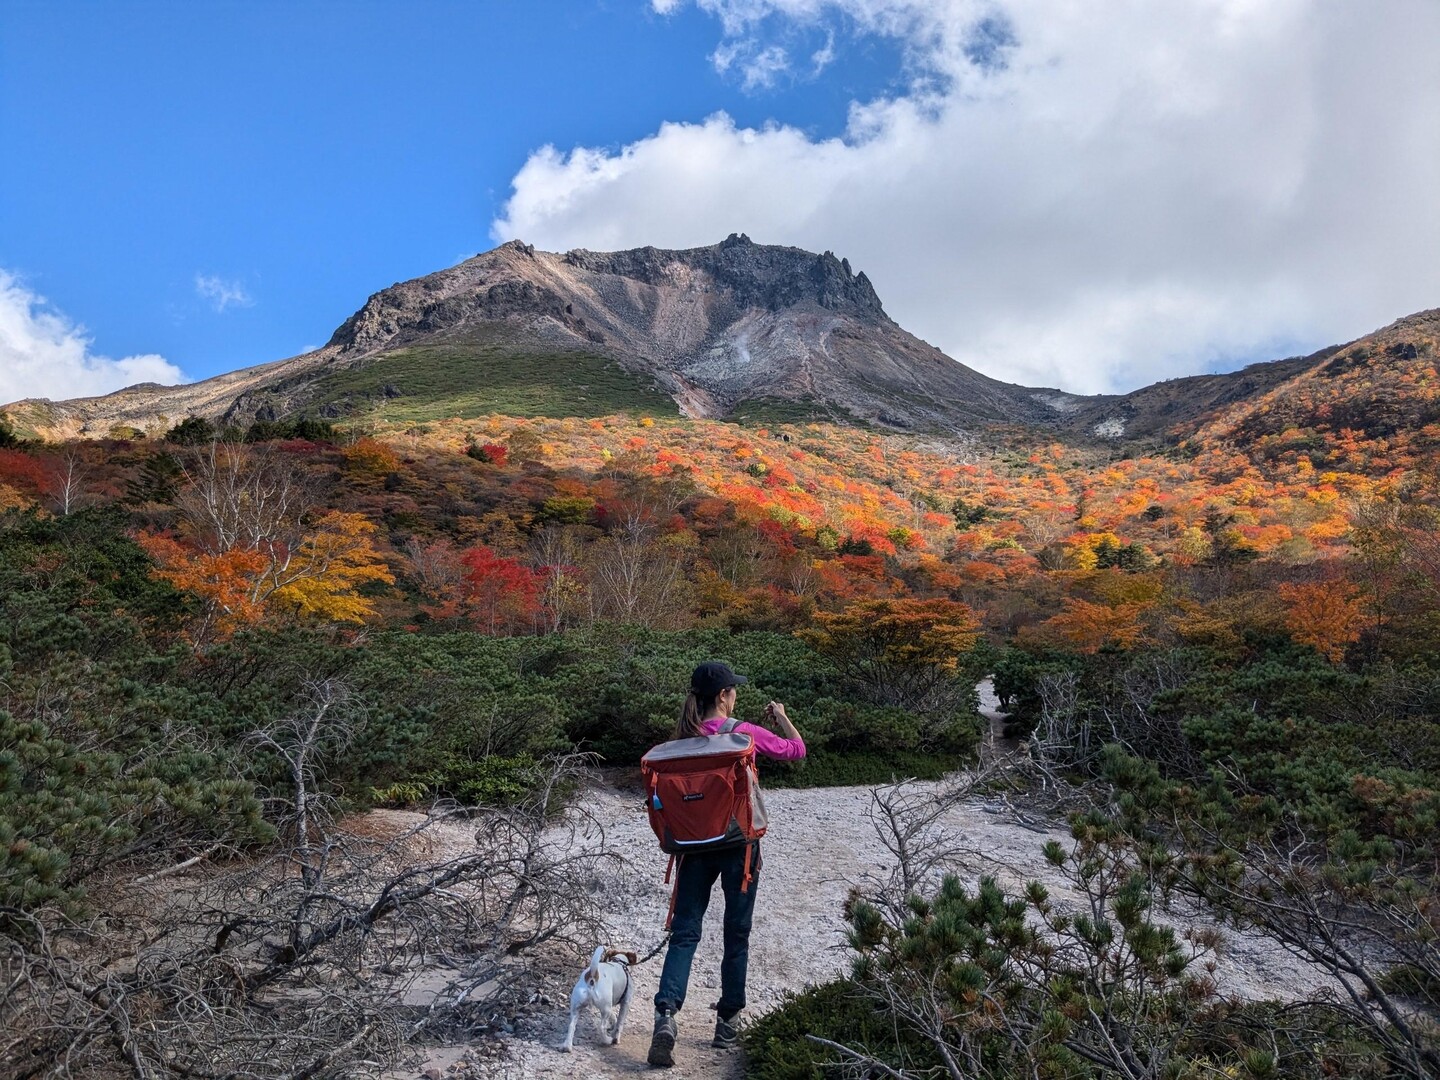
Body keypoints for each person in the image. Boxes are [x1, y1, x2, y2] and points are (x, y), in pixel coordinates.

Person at [647, 660, 805, 1068]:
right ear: (722, 697)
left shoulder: (681, 741)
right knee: (736, 933)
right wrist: (784, 719)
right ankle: (728, 1022)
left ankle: (665, 1015)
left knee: (685, 933)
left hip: (693, 848)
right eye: (733, 689)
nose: (735, 694)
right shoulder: (743, 733)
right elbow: (796, 751)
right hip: (741, 846)